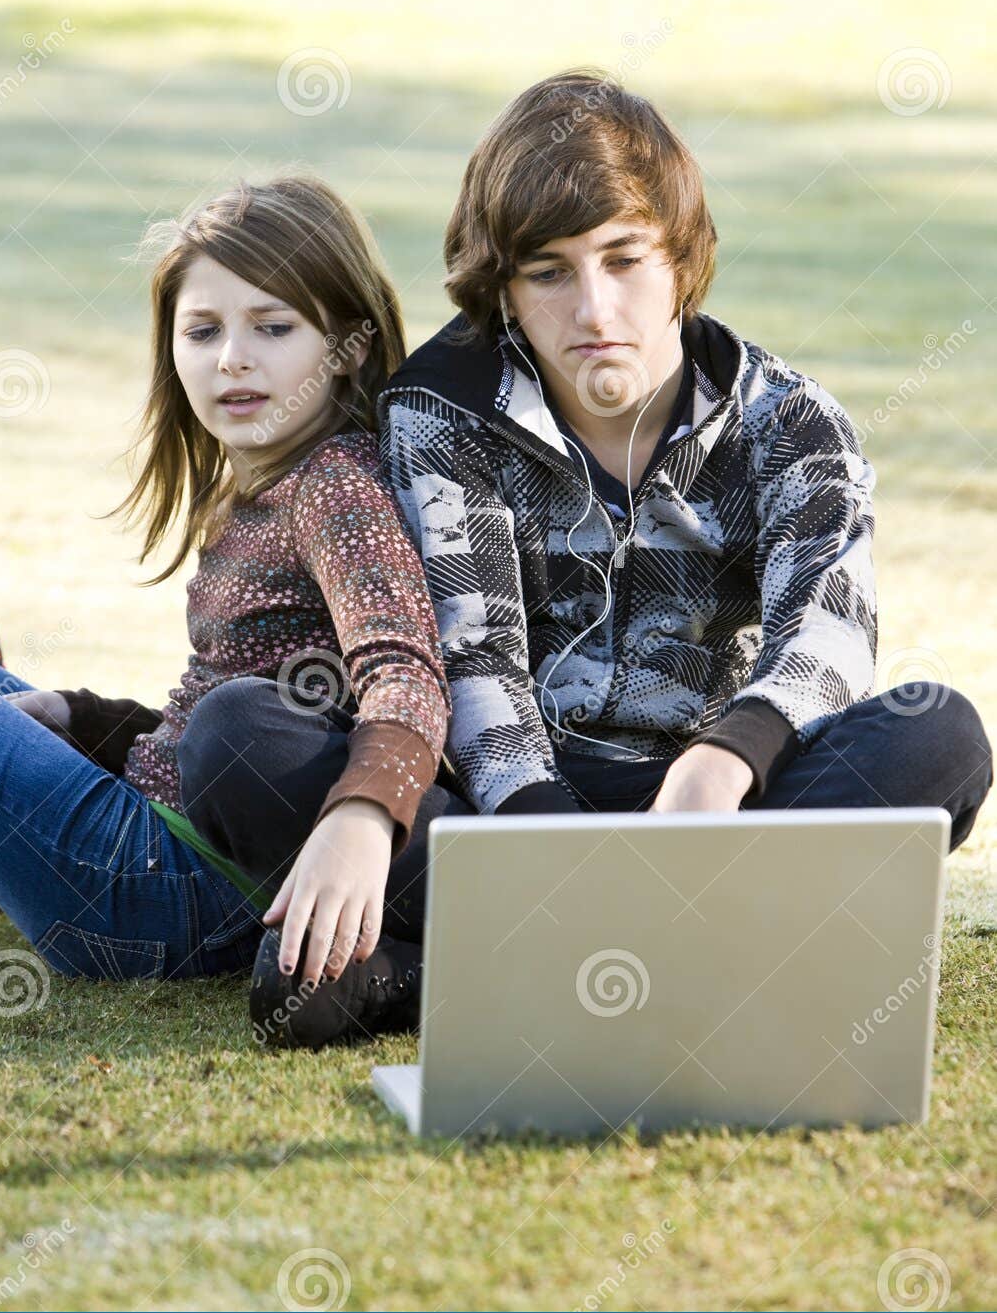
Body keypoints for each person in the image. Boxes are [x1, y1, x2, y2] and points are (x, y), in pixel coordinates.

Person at [372, 70, 991, 838]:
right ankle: (664, 917)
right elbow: (473, 660)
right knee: (260, 743)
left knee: (937, 733)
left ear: (680, 260)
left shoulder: (786, 420)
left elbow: (828, 627)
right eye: (547, 272)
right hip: (505, 800)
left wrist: (721, 761)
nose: (593, 310)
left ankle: (554, 926)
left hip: (717, 795)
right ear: (503, 290)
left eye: (624, 259)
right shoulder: (440, 413)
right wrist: (537, 846)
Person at [0, 175, 451, 1049]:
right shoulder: (255, 484)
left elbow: (403, 670)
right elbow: (208, 712)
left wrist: (362, 818)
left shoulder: (336, 487)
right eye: (202, 331)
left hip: (160, 891)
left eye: (273, 328)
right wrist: (86, 721)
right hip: (159, 838)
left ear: (349, 346)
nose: (231, 359)